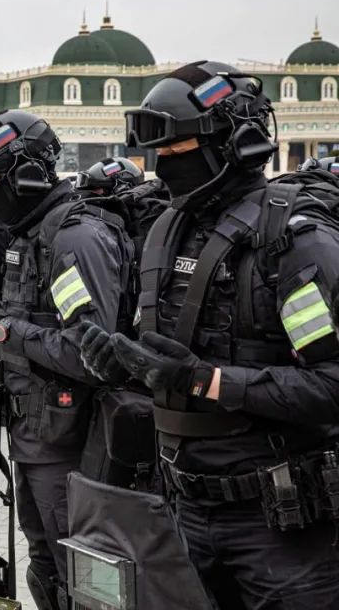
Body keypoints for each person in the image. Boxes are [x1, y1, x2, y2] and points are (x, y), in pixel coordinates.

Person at [85, 60, 339, 609]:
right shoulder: (166, 231)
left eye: (175, 151)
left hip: (278, 526)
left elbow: (331, 387)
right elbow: (159, 353)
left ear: (235, 142)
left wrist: (207, 380)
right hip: (180, 511)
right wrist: (119, 362)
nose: (161, 166)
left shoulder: (295, 242)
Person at [0, 109, 135, 609]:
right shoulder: (29, 237)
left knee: (83, 582)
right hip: (33, 438)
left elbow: (88, 352)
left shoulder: (73, 238)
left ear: (23, 174)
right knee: (46, 572)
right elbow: (31, 332)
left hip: (72, 447)